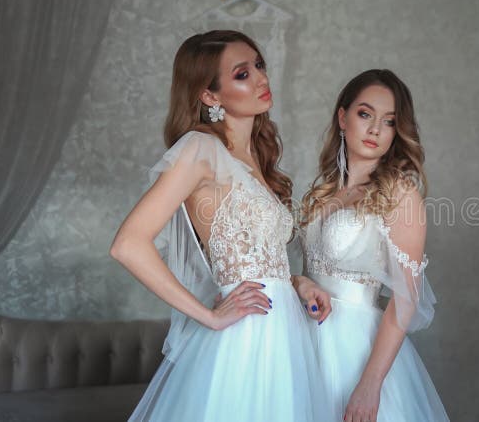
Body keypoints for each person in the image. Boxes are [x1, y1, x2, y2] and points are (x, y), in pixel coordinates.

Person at [110, 30, 328, 421]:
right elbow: (128, 244)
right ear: (210, 96)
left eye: (259, 66)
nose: (261, 78)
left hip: (285, 333)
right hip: (244, 339)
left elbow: (258, 257)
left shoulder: (256, 160)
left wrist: (298, 282)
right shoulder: (201, 149)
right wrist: (208, 316)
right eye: (242, 74)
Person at [295, 69, 449, 422]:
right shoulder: (322, 193)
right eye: (365, 114)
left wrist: (370, 384)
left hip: (356, 350)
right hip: (302, 338)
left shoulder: (400, 194)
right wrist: (298, 282)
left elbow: (405, 300)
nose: (376, 129)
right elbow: (306, 273)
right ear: (342, 117)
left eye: (389, 121)